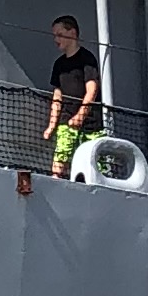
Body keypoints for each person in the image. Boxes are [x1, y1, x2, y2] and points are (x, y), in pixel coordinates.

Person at [41, 14, 105, 175]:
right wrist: (51, 125)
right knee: (61, 158)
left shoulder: (87, 59)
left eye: (59, 34)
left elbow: (92, 90)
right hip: (66, 122)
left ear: (73, 33)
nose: (56, 40)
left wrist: (80, 116)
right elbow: (57, 97)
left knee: (98, 164)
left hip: (91, 125)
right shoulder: (59, 65)